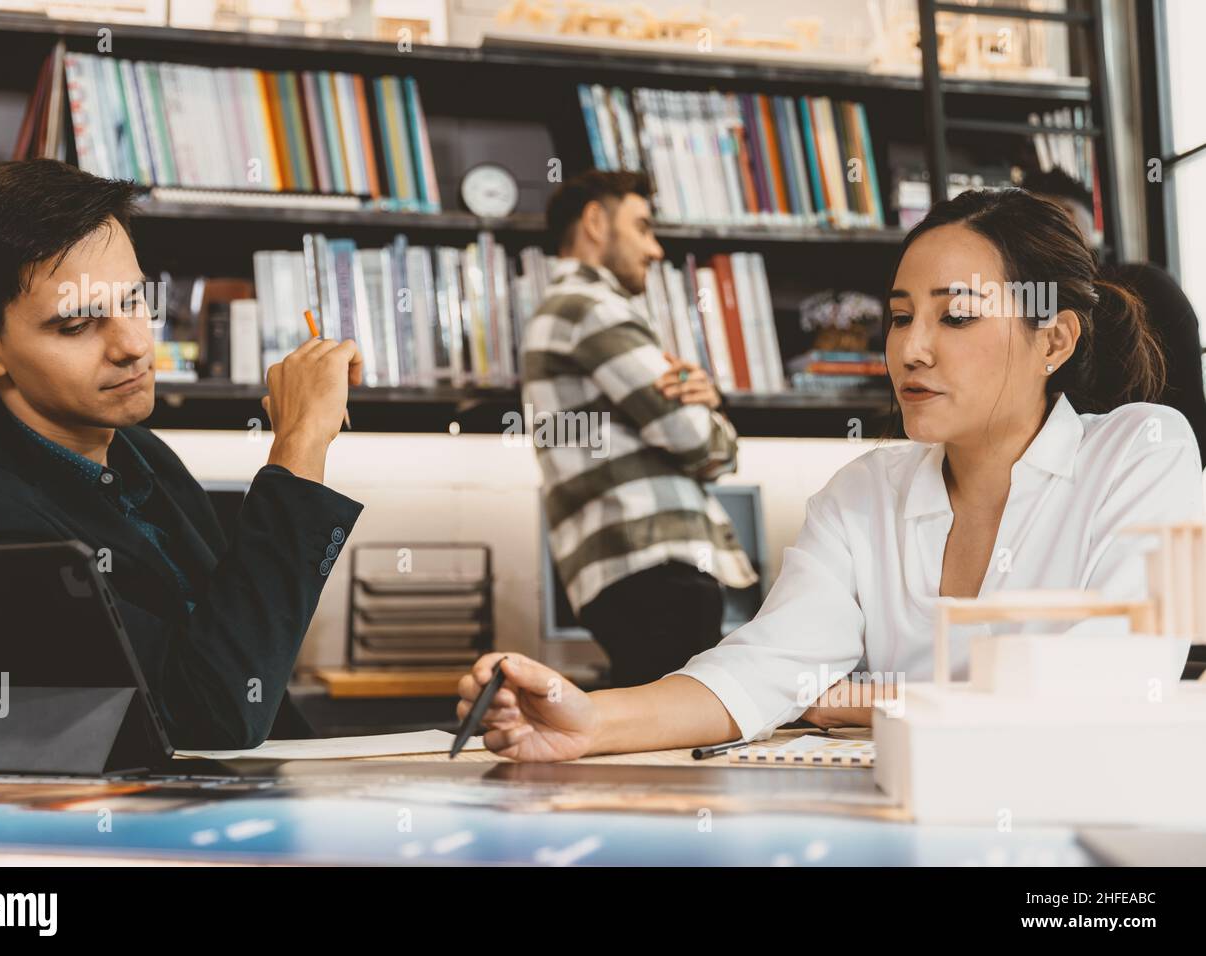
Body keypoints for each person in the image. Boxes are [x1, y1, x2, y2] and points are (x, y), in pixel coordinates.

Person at [459, 187, 1204, 762]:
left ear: (1056, 340)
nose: (911, 349)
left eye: (955, 318)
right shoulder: (862, 493)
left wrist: (874, 699)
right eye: (900, 316)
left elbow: (1115, 678)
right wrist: (586, 718)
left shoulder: (1142, 451)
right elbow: (765, 669)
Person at [0, 159, 364, 749]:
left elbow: (233, 646)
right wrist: (299, 447)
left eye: (133, 300)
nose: (133, 345)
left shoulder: (137, 451)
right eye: (76, 325)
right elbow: (212, 716)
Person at [524, 170, 758, 688]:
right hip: (656, 570)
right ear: (594, 222)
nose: (655, 250)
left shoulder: (561, 312)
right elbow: (696, 440)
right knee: (678, 749)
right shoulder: (592, 309)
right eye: (644, 227)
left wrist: (709, 406)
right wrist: (719, 422)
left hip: (624, 575)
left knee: (653, 743)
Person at [1023, 167, 1206, 462]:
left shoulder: (1145, 286)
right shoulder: (1033, 302)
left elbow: (1191, 412)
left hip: (1152, 467)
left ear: (1067, 215)